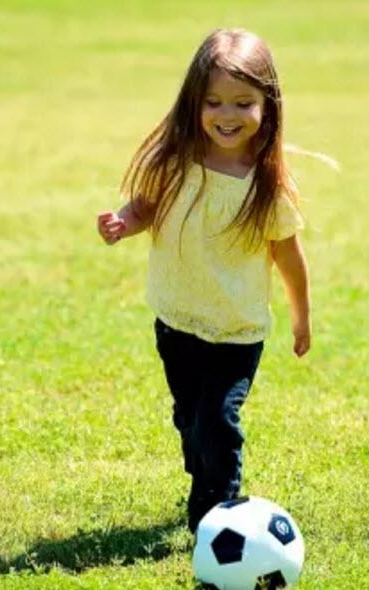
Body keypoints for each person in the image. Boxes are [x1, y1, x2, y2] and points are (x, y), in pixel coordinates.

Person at [96, 28, 311, 533]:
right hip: (177, 320)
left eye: (243, 103)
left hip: (237, 332)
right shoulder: (175, 164)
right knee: (190, 422)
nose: (227, 115)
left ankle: (214, 521)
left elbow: (289, 256)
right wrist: (125, 221)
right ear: (194, 101)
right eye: (214, 102)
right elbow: (149, 205)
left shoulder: (267, 186)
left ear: (267, 106)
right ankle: (205, 476)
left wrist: (302, 318)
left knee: (218, 424)